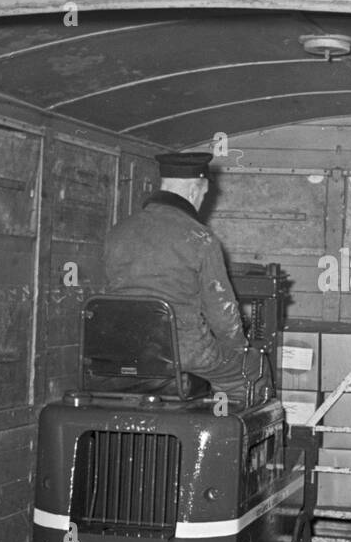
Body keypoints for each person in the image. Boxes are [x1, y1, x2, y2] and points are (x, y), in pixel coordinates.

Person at [102, 152, 249, 398]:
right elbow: (222, 314)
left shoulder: (117, 232)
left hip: (122, 352)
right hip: (185, 355)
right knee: (251, 371)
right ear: (194, 190)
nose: (201, 200)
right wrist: (240, 350)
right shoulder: (201, 238)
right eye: (203, 195)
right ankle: (225, 431)